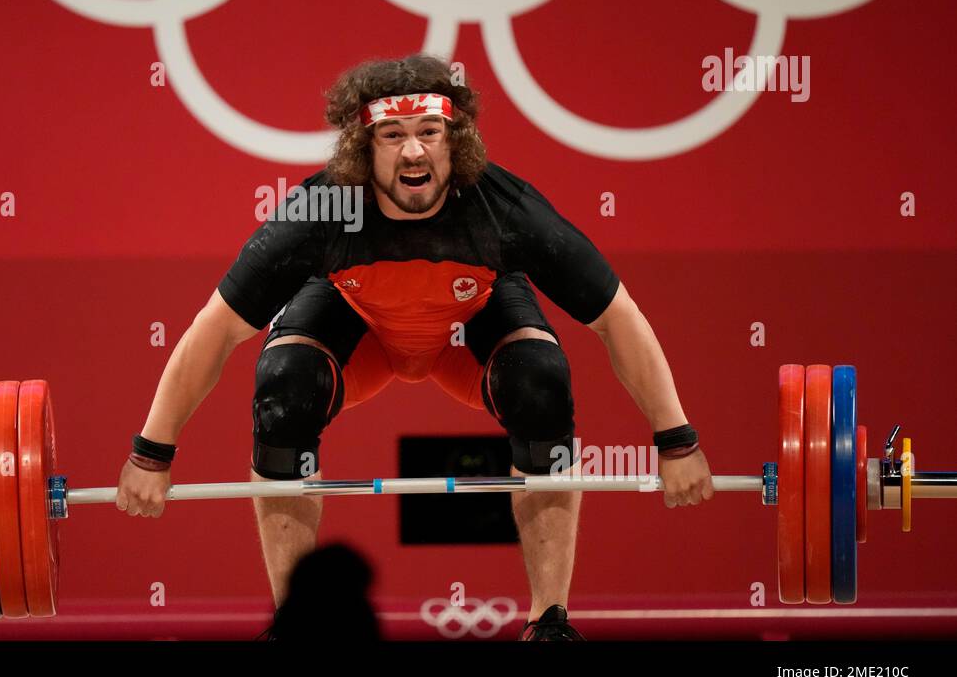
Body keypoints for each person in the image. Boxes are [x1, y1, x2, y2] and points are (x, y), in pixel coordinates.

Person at [116, 54, 714, 640]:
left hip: (469, 338)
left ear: (455, 141)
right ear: (363, 146)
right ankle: (297, 628)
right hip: (360, 338)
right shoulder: (324, 210)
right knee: (284, 383)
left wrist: (676, 439)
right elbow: (214, 330)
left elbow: (619, 319)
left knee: (541, 379)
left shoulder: (502, 209)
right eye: (392, 135)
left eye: (429, 131)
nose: (413, 151)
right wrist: (152, 454)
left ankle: (548, 622)